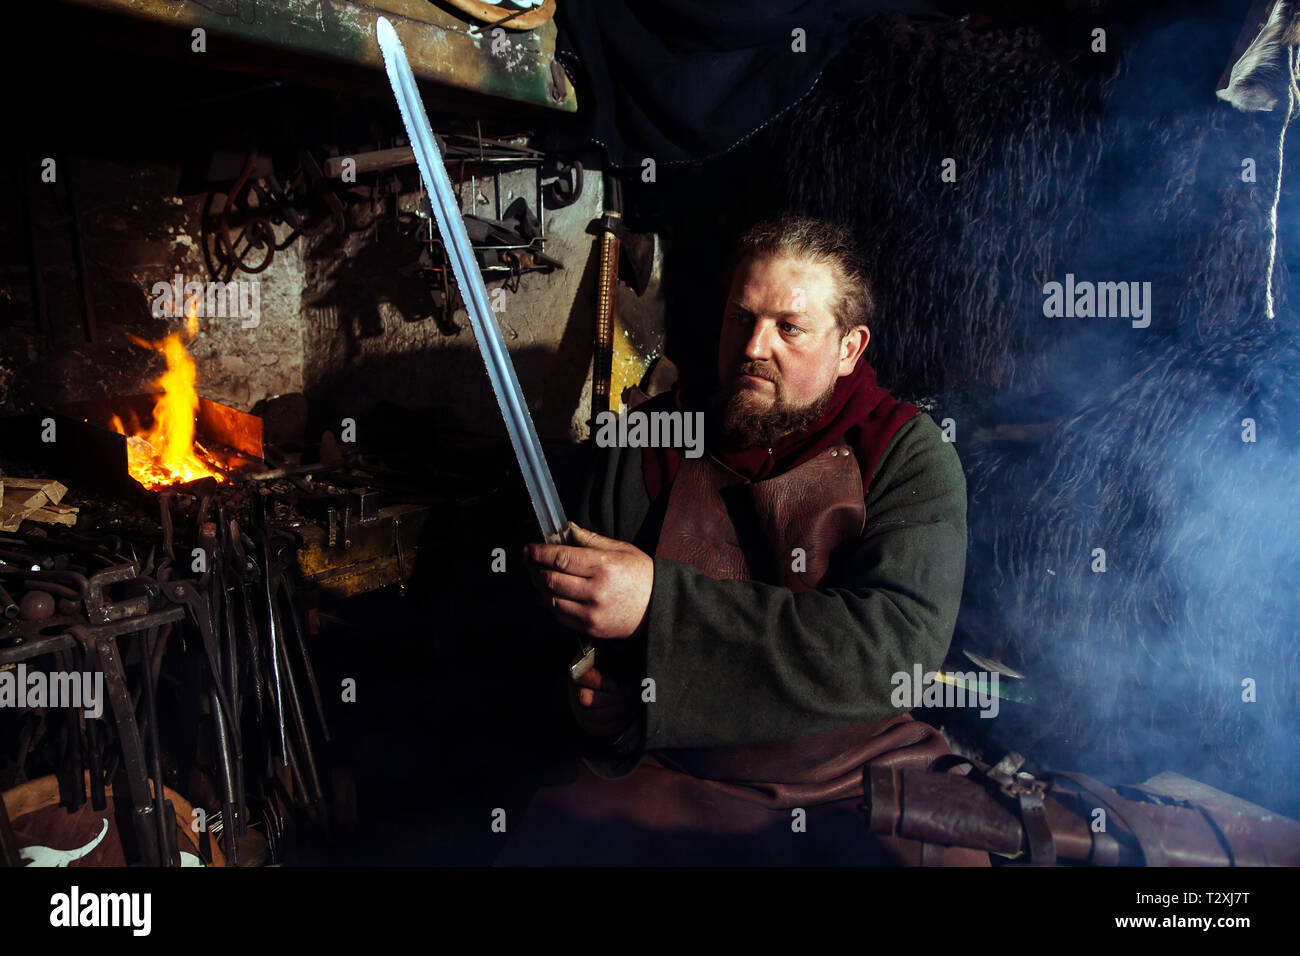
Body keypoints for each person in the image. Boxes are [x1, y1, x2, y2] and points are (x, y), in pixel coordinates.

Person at [507, 215, 988, 865]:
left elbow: (894, 650)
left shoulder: (905, 453)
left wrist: (658, 603)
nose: (754, 346)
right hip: (677, 768)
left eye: (789, 327)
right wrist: (603, 705)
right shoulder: (649, 440)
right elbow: (578, 644)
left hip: (857, 777)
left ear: (849, 348)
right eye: (742, 318)